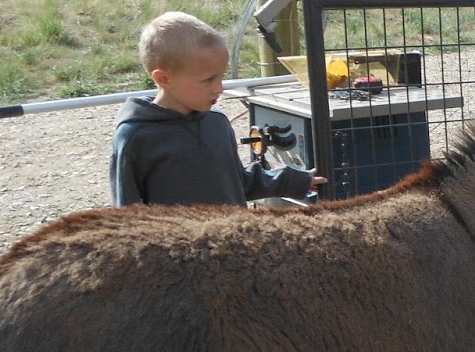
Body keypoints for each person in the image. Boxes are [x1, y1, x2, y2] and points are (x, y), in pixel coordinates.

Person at [110, 11, 324, 207]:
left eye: (221, 77)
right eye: (208, 80)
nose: (219, 88)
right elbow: (127, 214)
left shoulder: (217, 123)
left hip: (230, 243)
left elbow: (238, 181)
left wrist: (296, 181)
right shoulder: (135, 137)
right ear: (163, 78)